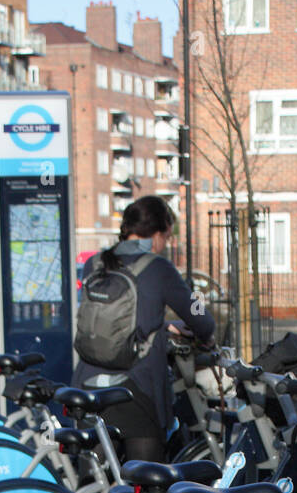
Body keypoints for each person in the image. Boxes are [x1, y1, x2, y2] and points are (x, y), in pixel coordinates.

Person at [74, 196, 215, 462]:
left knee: (94, 482)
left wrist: (161, 326)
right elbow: (201, 319)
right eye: (167, 237)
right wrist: (199, 308)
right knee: (148, 485)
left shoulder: (95, 263)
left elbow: (113, 322)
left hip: (87, 382)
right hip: (137, 389)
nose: (166, 245)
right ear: (158, 234)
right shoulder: (158, 267)